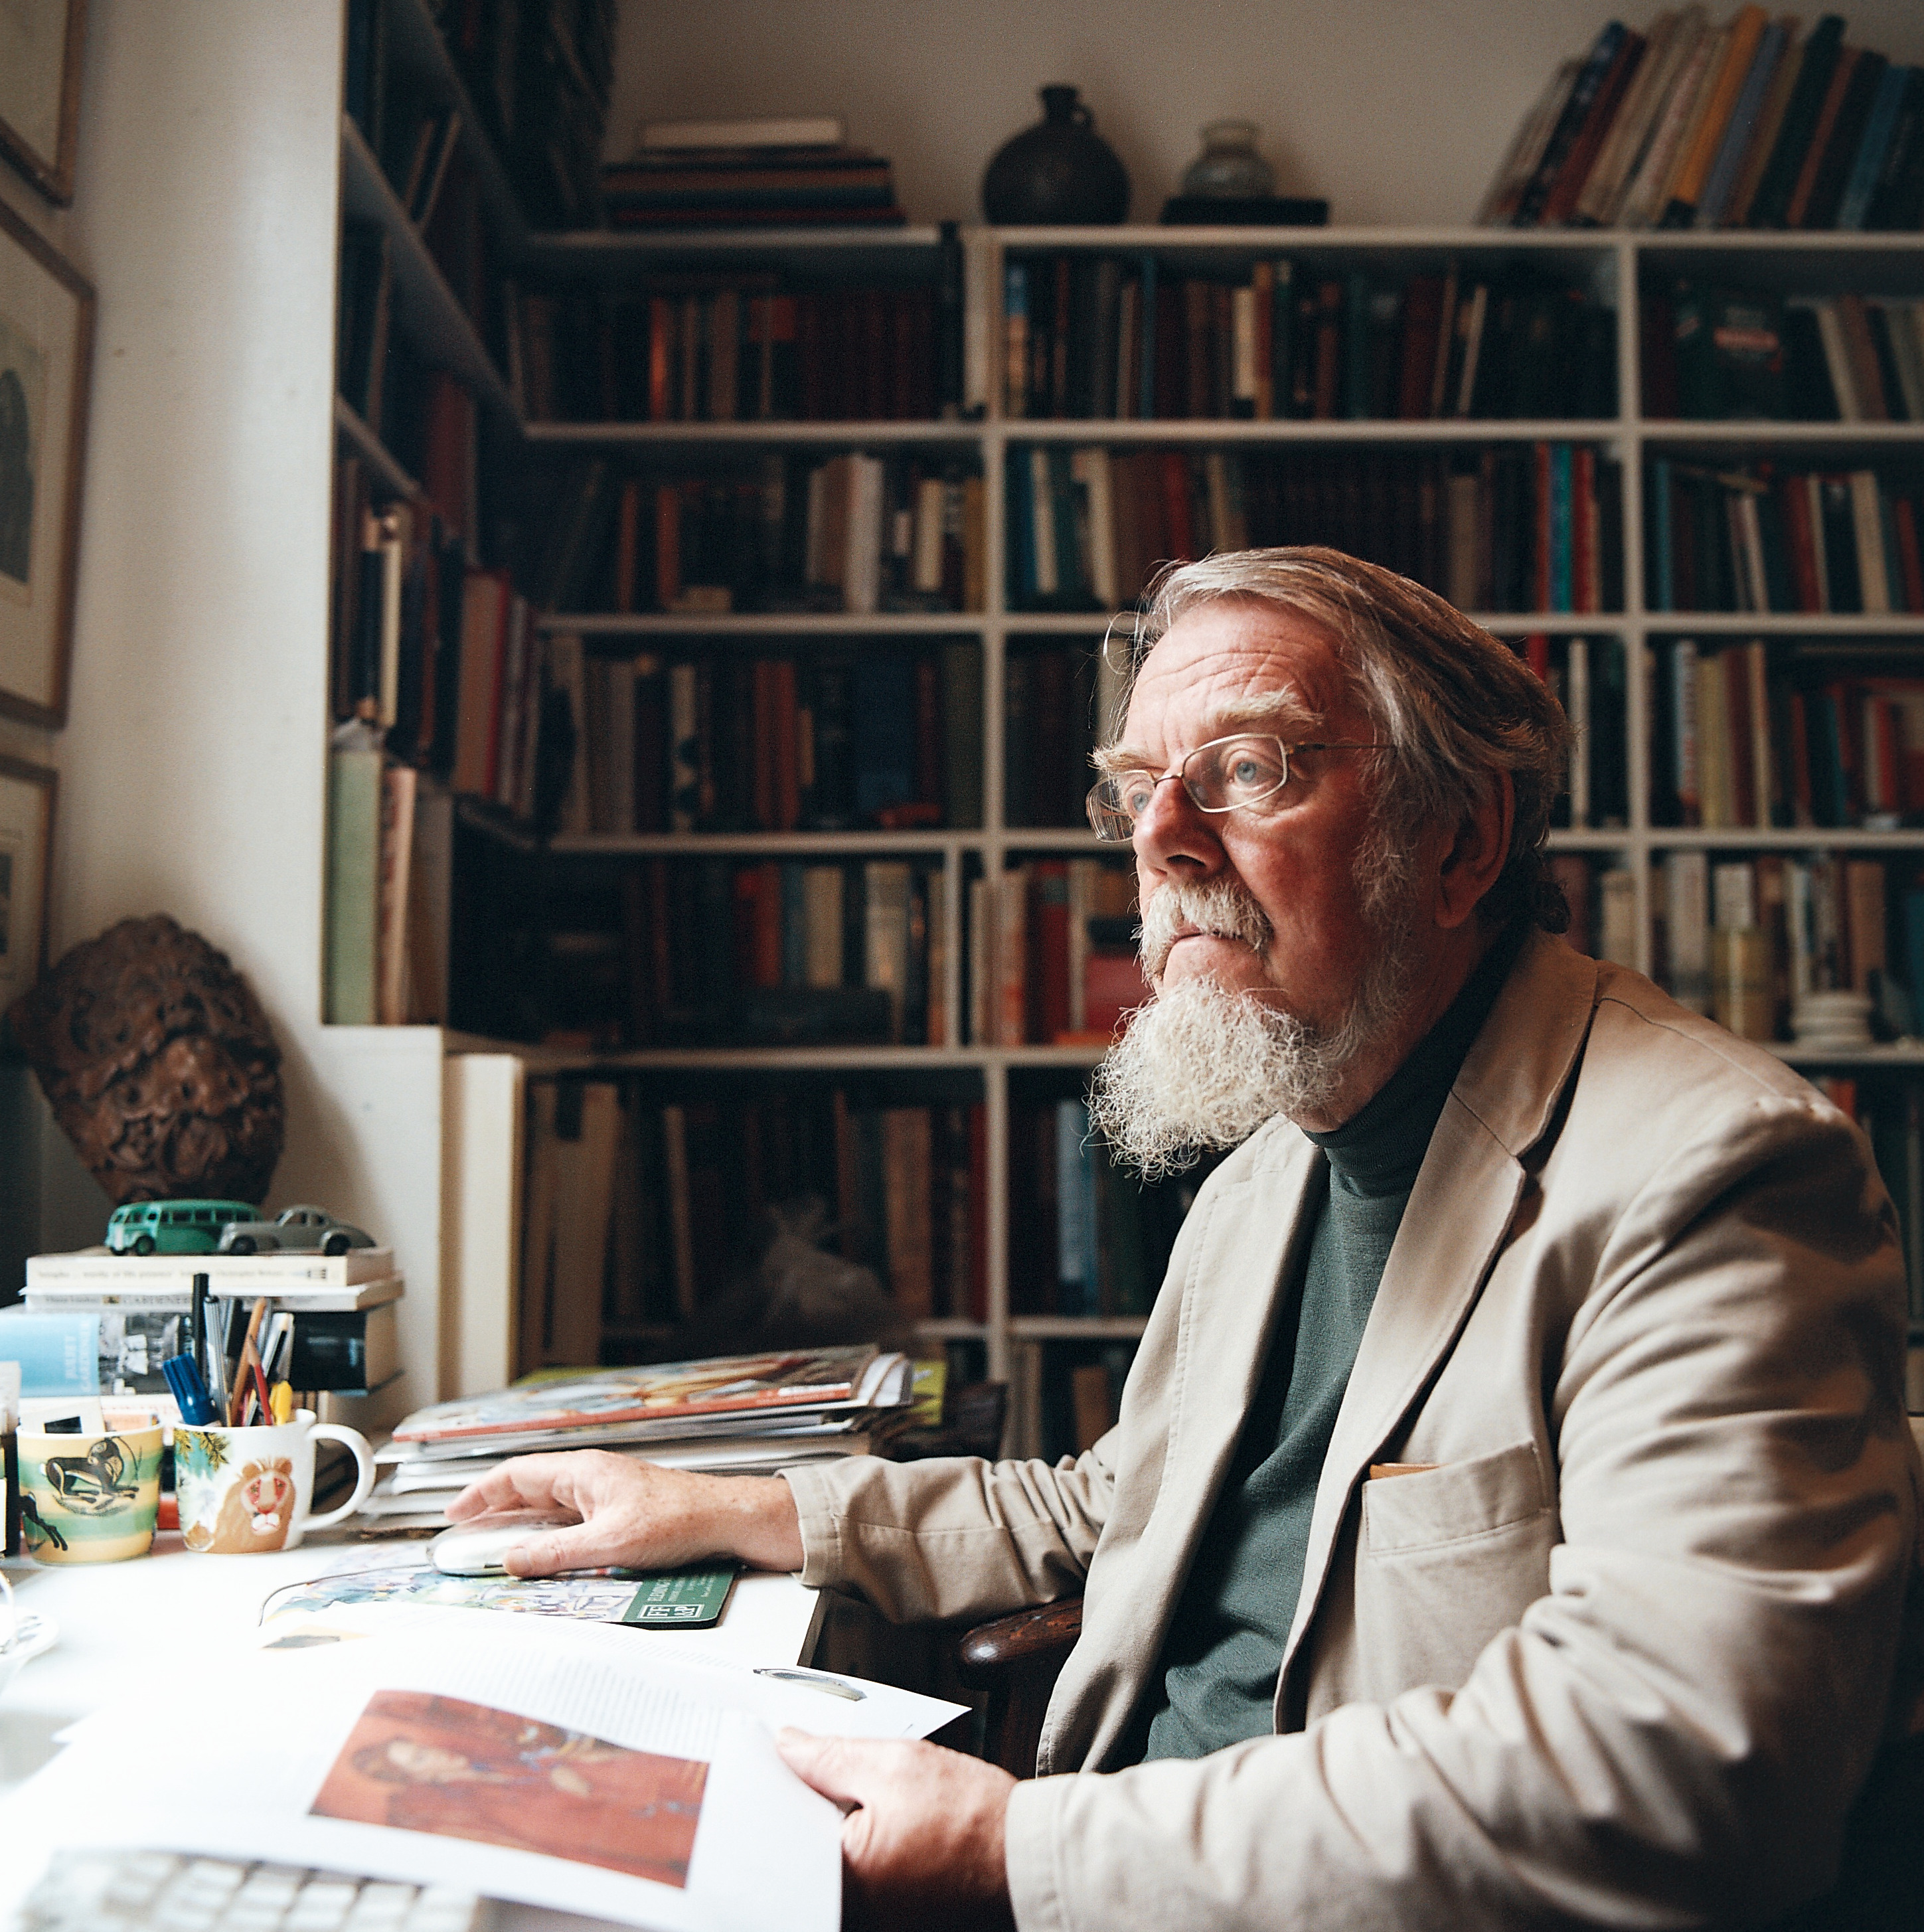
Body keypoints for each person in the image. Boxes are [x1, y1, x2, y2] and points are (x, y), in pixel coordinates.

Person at [451, 548, 1924, 1930]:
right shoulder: (1281, 1155)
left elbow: (1686, 1764)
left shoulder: (1709, 1173)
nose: (1161, 839)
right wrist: (729, 1509)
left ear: (1461, 839)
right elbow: (1122, 1504)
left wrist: (1018, 1848)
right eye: (1138, 786)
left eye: (1249, 769)